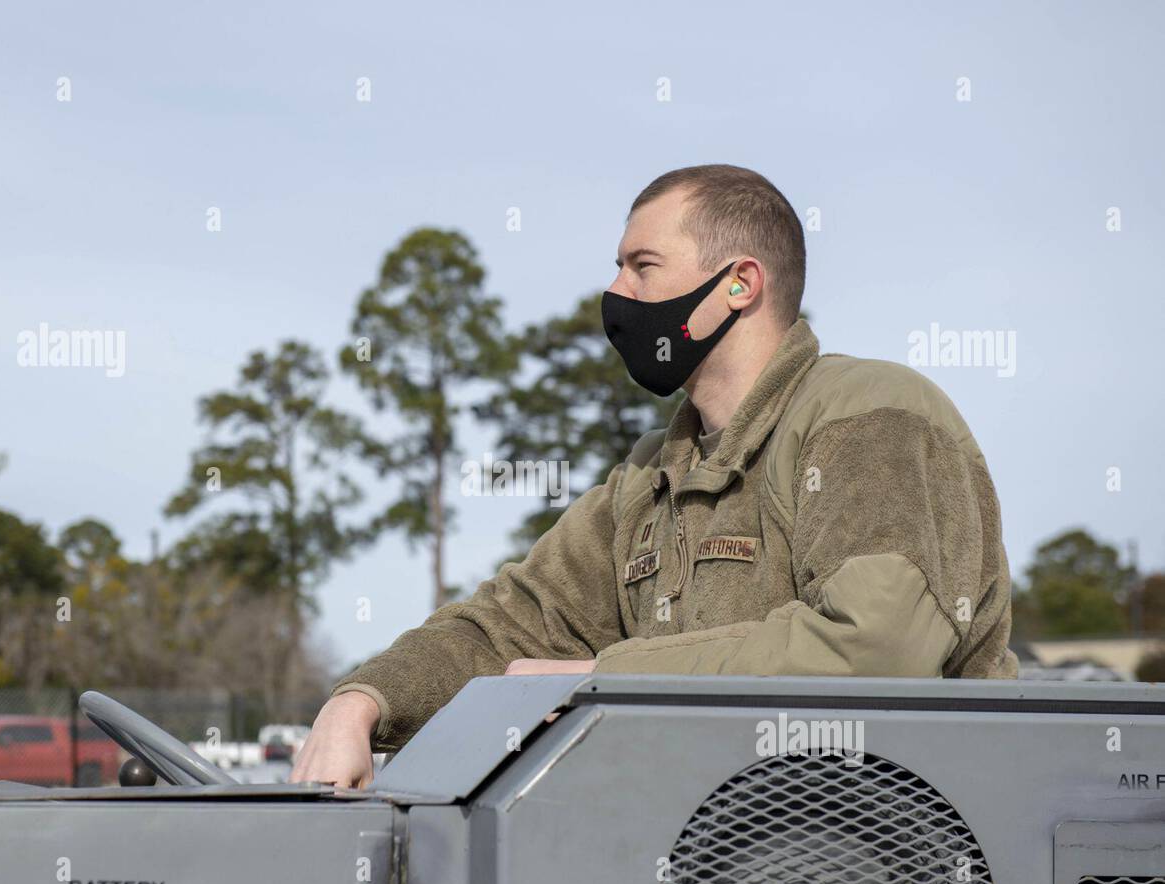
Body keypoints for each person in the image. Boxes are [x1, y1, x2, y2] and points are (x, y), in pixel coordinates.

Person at [291, 163, 1017, 789]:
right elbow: (508, 627)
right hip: (710, 881)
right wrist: (361, 702)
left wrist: (606, 678)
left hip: (900, 881)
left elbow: (876, 651)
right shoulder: (648, 478)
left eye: (643, 266)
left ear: (739, 285)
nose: (615, 294)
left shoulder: (870, 414)